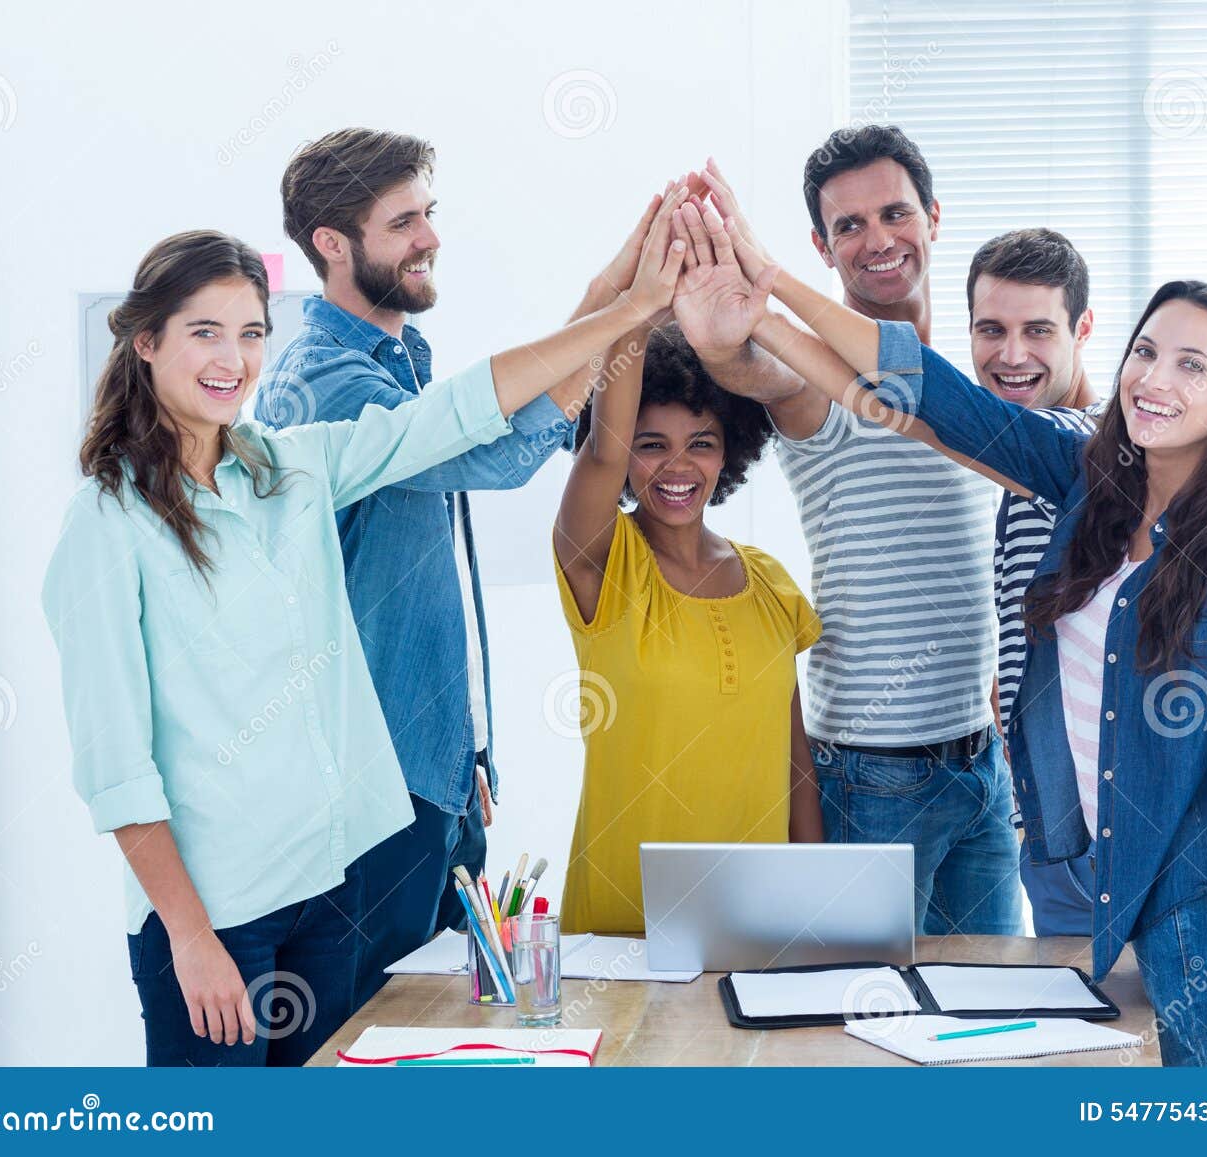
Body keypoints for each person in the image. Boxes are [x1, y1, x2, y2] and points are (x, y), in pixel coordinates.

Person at [697, 205, 1207, 1066]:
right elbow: (928, 403)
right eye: (1147, 352)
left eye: (1192, 365)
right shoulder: (1087, 480)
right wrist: (760, 313)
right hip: (1070, 870)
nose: (1155, 378)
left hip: (1189, 906)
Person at [42, 224, 684, 1065]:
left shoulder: (291, 471)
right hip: (215, 914)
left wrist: (624, 306)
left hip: (329, 889)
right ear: (146, 340)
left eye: (251, 332)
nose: (231, 357)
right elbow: (116, 769)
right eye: (205, 331)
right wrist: (189, 937)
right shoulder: (106, 525)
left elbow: (453, 412)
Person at [260, 128, 590, 1005]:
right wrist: (622, 310)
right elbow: (500, 459)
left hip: (431, 773)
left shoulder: (401, 366)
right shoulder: (321, 382)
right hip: (368, 793)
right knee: (362, 1038)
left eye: (429, 213)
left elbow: (414, 589)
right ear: (333, 244)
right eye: (404, 221)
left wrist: (460, 748)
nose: (430, 237)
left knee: (447, 1034)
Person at [671, 128, 1021, 937]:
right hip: (875, 778)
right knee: (867, 1027)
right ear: (823, 251)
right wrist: (725, 339)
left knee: (996, 1024)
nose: (877, 240)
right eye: (849, 227)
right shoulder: (820, 378)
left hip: (983, 768)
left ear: (933, 217)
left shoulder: (982, 374)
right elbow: (758, 372)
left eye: (894, 213)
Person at [553, 186, 823, 936]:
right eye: (653, 444)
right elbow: (602, 448)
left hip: (755, 922)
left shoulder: (767, 579)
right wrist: (641, 305)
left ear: (728, 451)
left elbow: (795, 756)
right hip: (621, 920)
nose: (678, 466)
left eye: (700, 442)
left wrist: (814, 893)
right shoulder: (603, 563)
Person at [962, 228, 1103, 936]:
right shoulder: (1036, 465)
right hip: (1049, 825)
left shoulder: (1082, 442)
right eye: (992, 329)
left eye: (1038, 330)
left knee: (1106, 1038)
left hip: (1088, 841)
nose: (1011, 355)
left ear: (1082, 329)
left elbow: (934, 411)